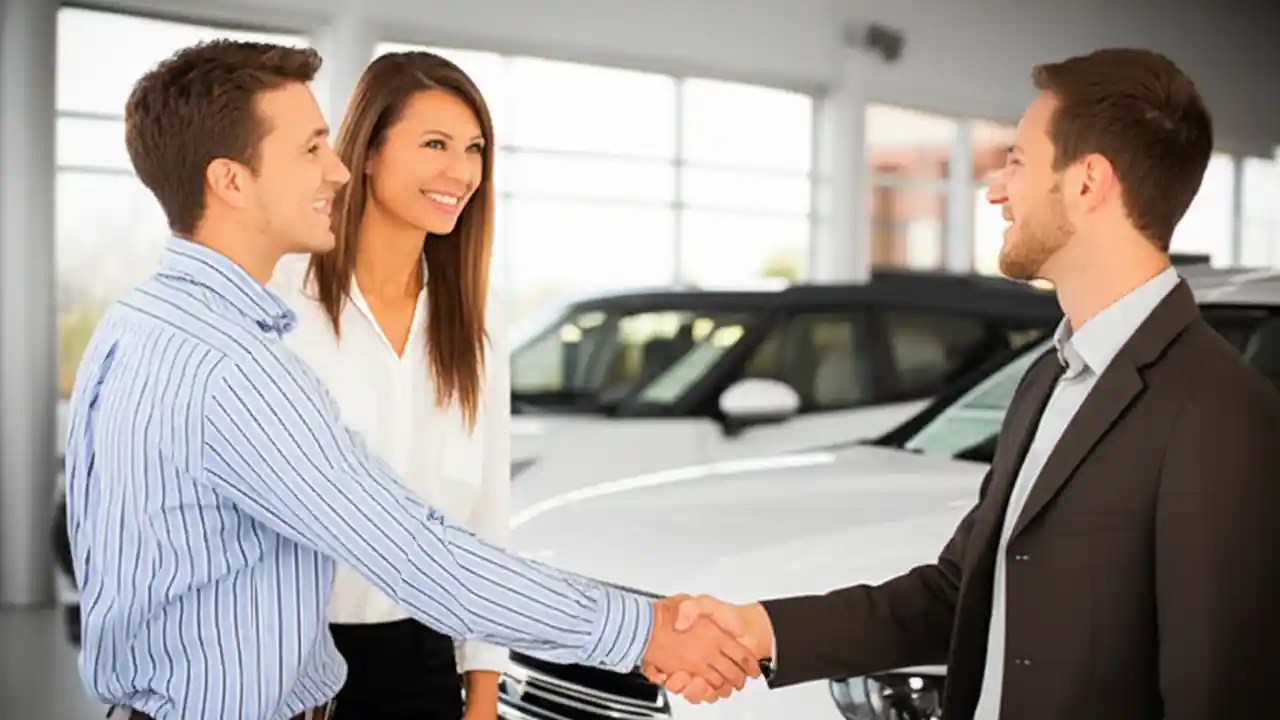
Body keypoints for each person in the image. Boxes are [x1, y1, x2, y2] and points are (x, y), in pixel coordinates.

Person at [63, 39, 758, 720]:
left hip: (354, 666)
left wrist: (482, 687)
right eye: (311, 149)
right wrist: (646, 630)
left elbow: (472, 525)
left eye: (474, 148)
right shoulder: (238, 360)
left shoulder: (140, 324)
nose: (332, 173)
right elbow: (416, 550)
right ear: (232, 180)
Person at [649, 47, 1280, 719]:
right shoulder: (1050, 377)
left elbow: (1221, 694)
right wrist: (760, 629)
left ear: (1089, 182)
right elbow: (958, 592)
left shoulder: (1222, 414)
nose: (996, 191)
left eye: (1016, 163)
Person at [267, 51, 508, 720]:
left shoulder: (472, 329)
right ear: (367, 151)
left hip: (423, 666)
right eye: (435, 143)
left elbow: (487, 521)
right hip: (283, 664)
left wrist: (482, 697)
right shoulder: (281, 302)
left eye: (473, 149)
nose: (460, 172)